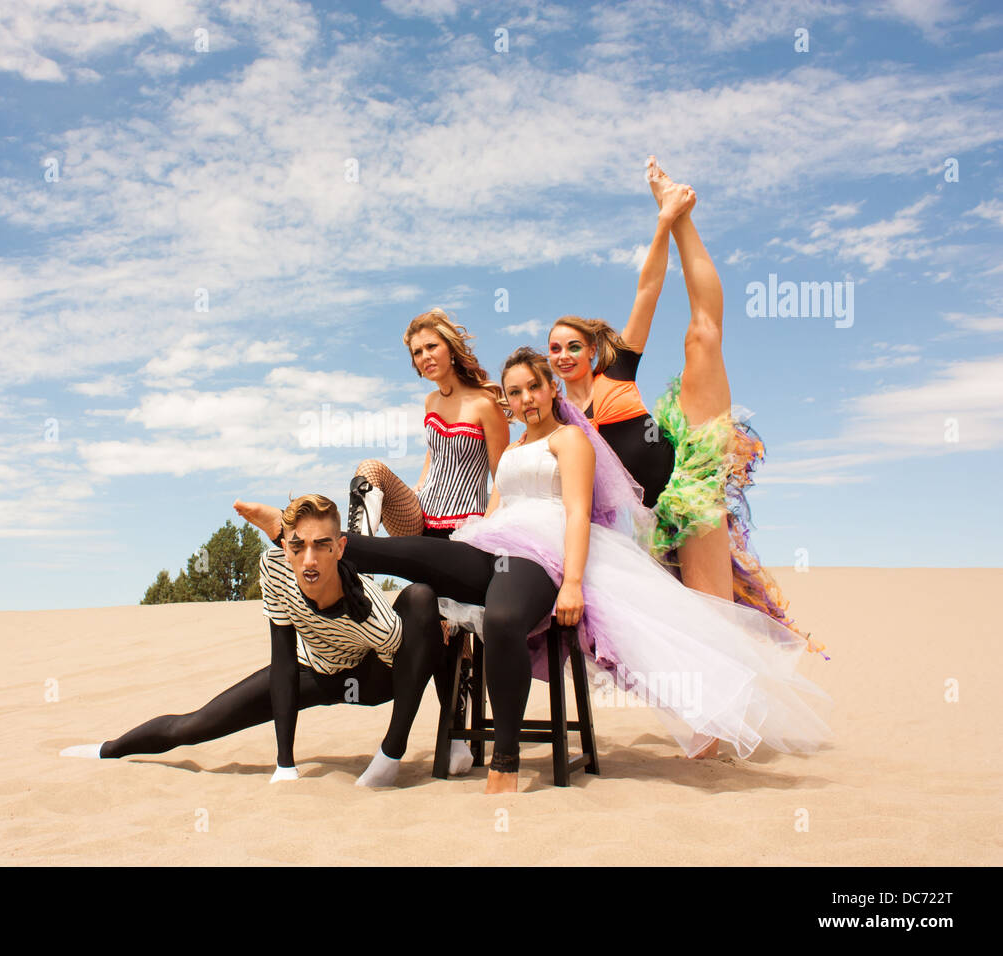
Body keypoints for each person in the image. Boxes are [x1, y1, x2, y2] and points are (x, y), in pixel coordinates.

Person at [235, 350, 832, 794]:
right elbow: (494, 509)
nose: (522, 401)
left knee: (501, 618)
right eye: (514, 393)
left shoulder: (569, 441)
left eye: (531, 389)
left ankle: (506, 762)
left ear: (550, 390)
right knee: (406, 558)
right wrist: (460, 544)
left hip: (540, 554)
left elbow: (576, 515)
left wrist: (572, 582)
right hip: (492, 540)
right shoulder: (515, 452)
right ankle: (309, 540)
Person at [549, 158, 822, 673]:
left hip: (687, 476)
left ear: (591, 351)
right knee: (698, 621)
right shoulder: (562, 418)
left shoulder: (617, 376)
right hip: (647, 522)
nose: (563, 355)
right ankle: (717, 719)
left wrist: (665, 221)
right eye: (554, 349)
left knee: (703, 336)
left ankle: (682, 212)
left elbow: (648, 290)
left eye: (572, 346)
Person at [60, 495, 473, 786]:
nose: (309, 560)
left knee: (421, 602)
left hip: (371, 680)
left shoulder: (374, 614)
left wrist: (439, 637)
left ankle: (390, 757)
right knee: (196, 723)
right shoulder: (274, 569)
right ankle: (108, 749)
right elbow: (282, 660)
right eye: (298, 546)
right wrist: (285, 764)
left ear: (340, 548)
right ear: (285, 547)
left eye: (321, 546)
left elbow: (406, 673)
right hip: (310, 671)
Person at [348, 308, 508, 538]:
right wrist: (421, 482)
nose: (425, 356)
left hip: (463, 525)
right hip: (419, 515)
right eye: (417, 352)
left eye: (432, 347)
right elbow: (434, 450)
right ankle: (359, 546)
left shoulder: (485, 404)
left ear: (451, 349)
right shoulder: (431, 401)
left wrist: (487, 529)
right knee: (370, 469)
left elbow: (502, 478)